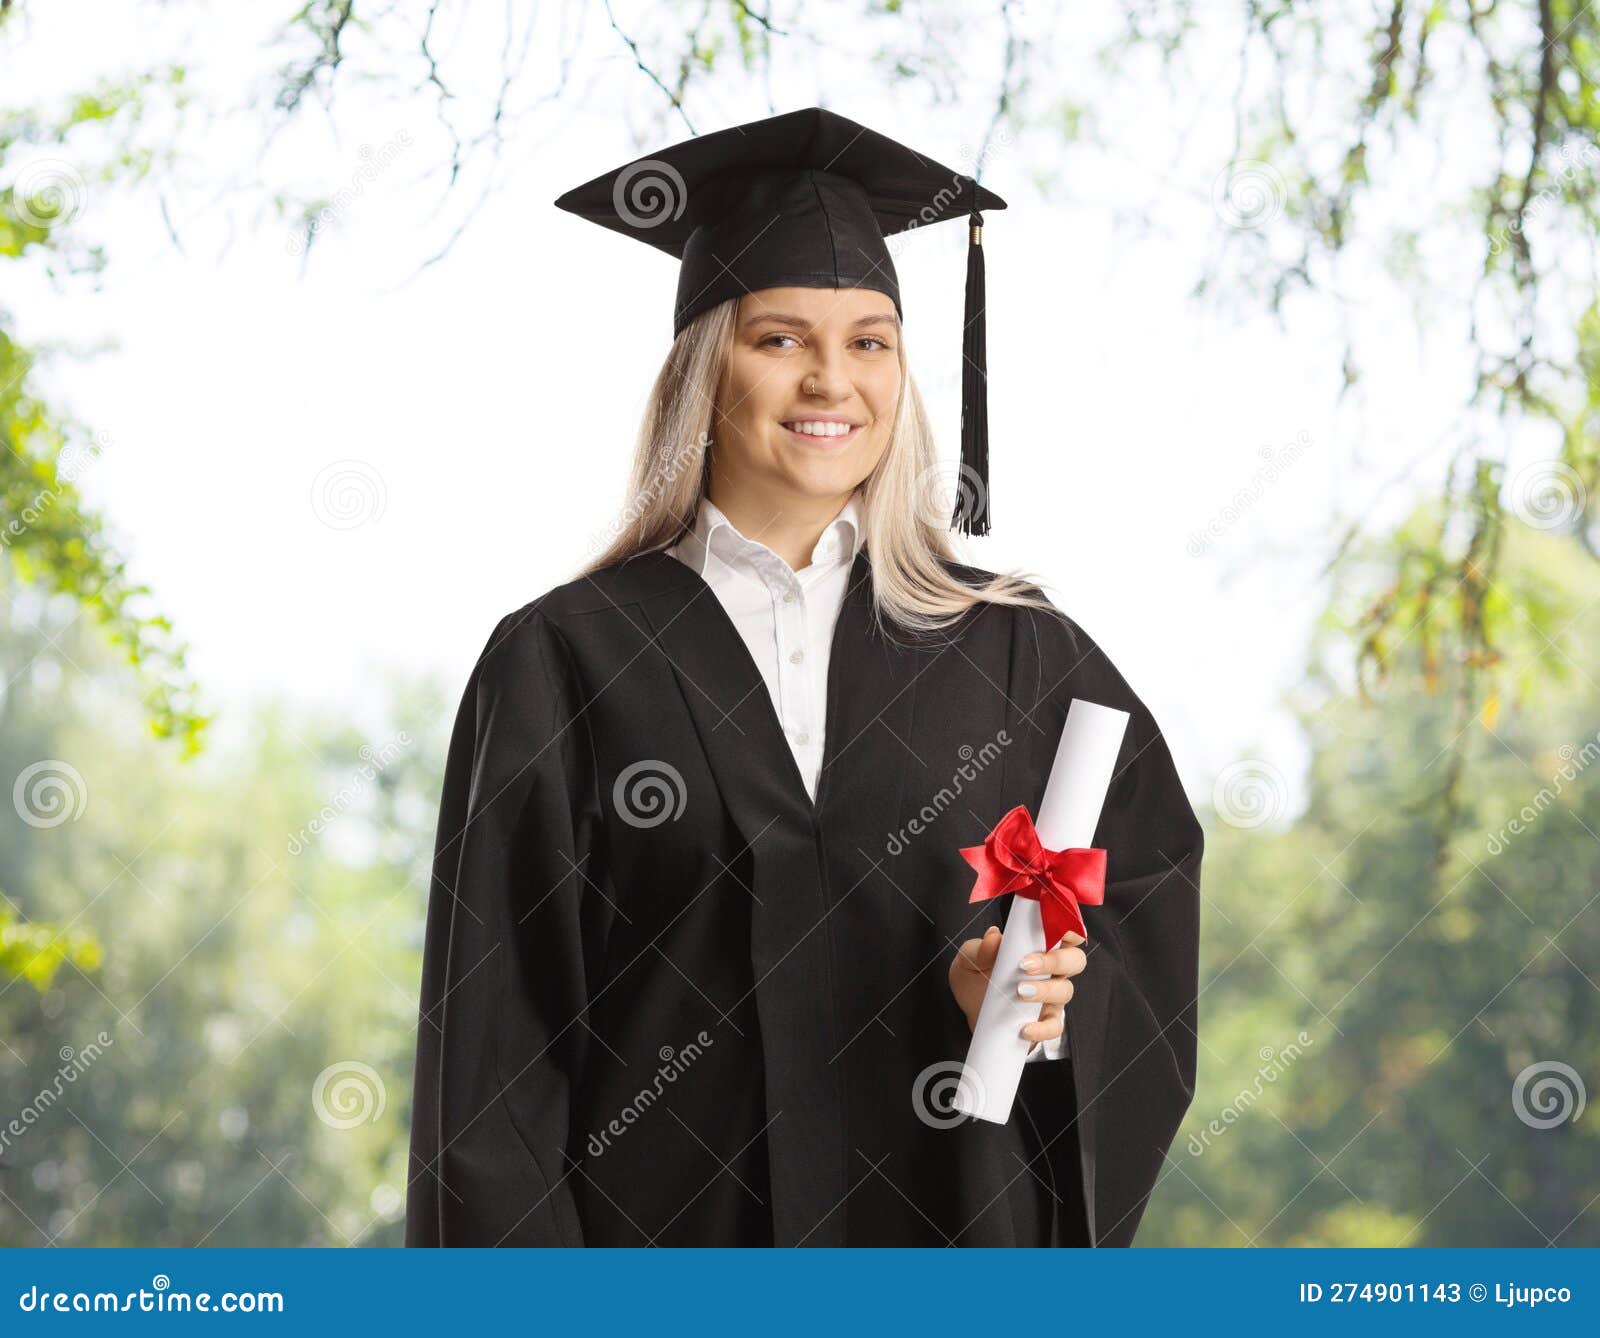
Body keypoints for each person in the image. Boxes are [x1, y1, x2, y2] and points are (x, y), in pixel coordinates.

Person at [405, 107, 1203, 1247]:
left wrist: (1040, 1017)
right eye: (780, 338)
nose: (832, 379)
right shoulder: (565, 658)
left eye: (870, 341)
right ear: (702, 368)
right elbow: (494, 1056)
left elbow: (1139, 923)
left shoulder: (1022, 653)